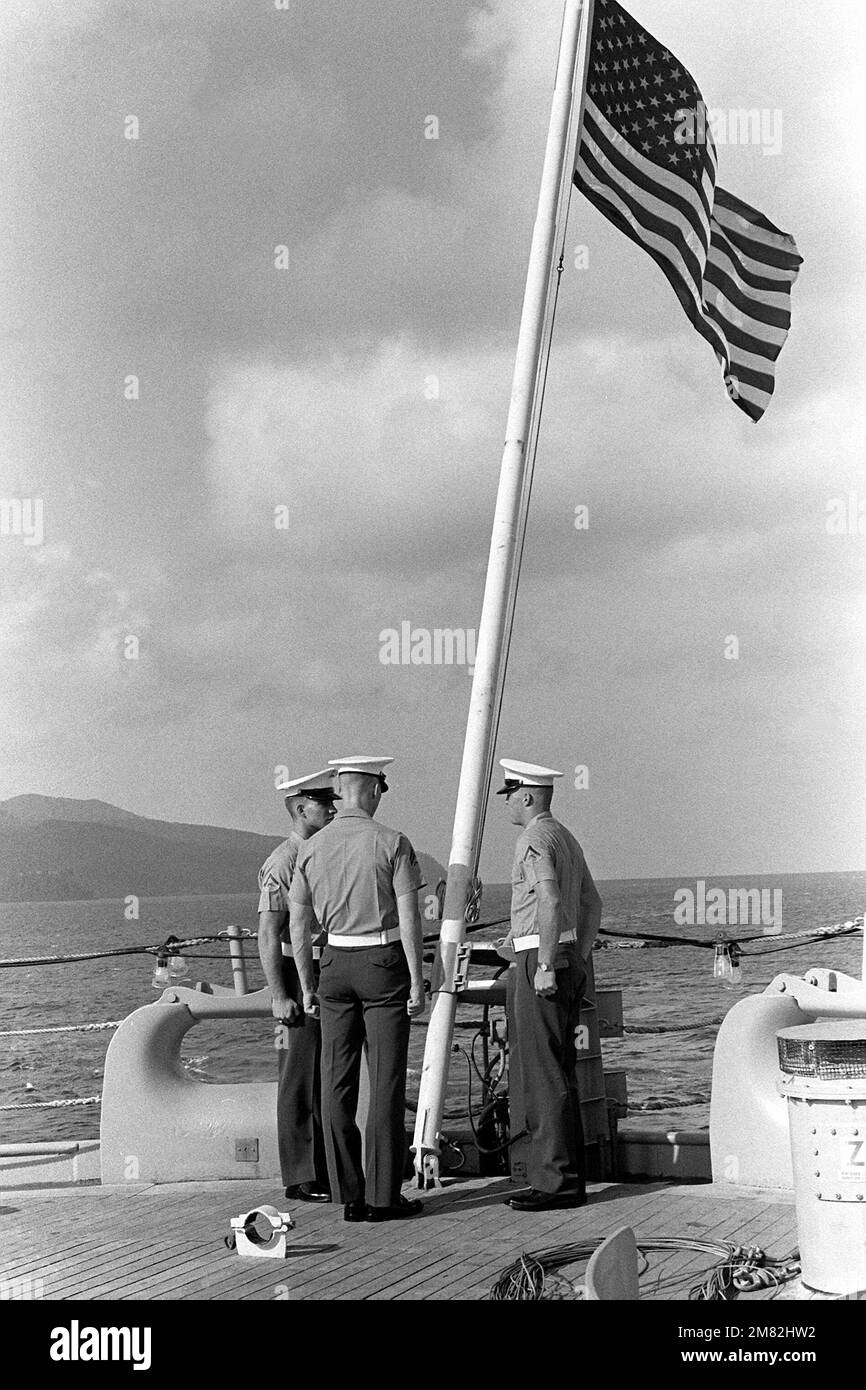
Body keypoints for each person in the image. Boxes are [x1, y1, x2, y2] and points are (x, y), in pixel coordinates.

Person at [289, 755, 427, 1223]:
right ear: (369, 790)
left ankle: (347, 1192)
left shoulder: (309, 849)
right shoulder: (392, 842)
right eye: (381, 789)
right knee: (385, 1082)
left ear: (339, 792)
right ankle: (383, 1196)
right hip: (381, 962)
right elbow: (410, 918)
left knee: (336, 1083)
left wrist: (307, 983)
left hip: (332, 966)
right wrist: (417, 979)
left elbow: (298, 922)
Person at [496, 758, 603, 1212]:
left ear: (525, 795)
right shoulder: (566, 837)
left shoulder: (534, 838)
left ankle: (554, 1182)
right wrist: (575, 956)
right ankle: (564, 1177)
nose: (508, 803)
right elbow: (592, 904)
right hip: (566, 957)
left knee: (540, 1073)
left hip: (540, 961)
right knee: (558, 1072)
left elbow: (551, 896)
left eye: (510, 795)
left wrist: (543, 962)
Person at [257, 769, 339, 1202]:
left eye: (332, 802)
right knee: (299, 1075)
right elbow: (270, 934)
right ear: (299, 808)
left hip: (327, 970)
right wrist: (279, 994)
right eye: (323, 802)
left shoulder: (323, 854)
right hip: (295, 971)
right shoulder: (282, 862)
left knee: (327, 1074)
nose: (331, 809)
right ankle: (301, 1175)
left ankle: (326, 1167)